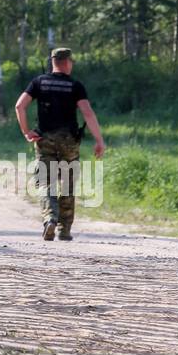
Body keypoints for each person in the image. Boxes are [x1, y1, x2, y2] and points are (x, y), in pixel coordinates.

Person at [14, 46, 107, 241]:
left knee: (46, 182)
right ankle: (64, 230)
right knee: (67, 183)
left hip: (44, 139)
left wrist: (26, 131)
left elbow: (19, 106)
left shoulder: (39, 82)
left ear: (53, 61)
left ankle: (49, 218)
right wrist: (99, 140)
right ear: (67, 62)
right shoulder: (75, 85)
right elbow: (87, 113)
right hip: (69, 141)